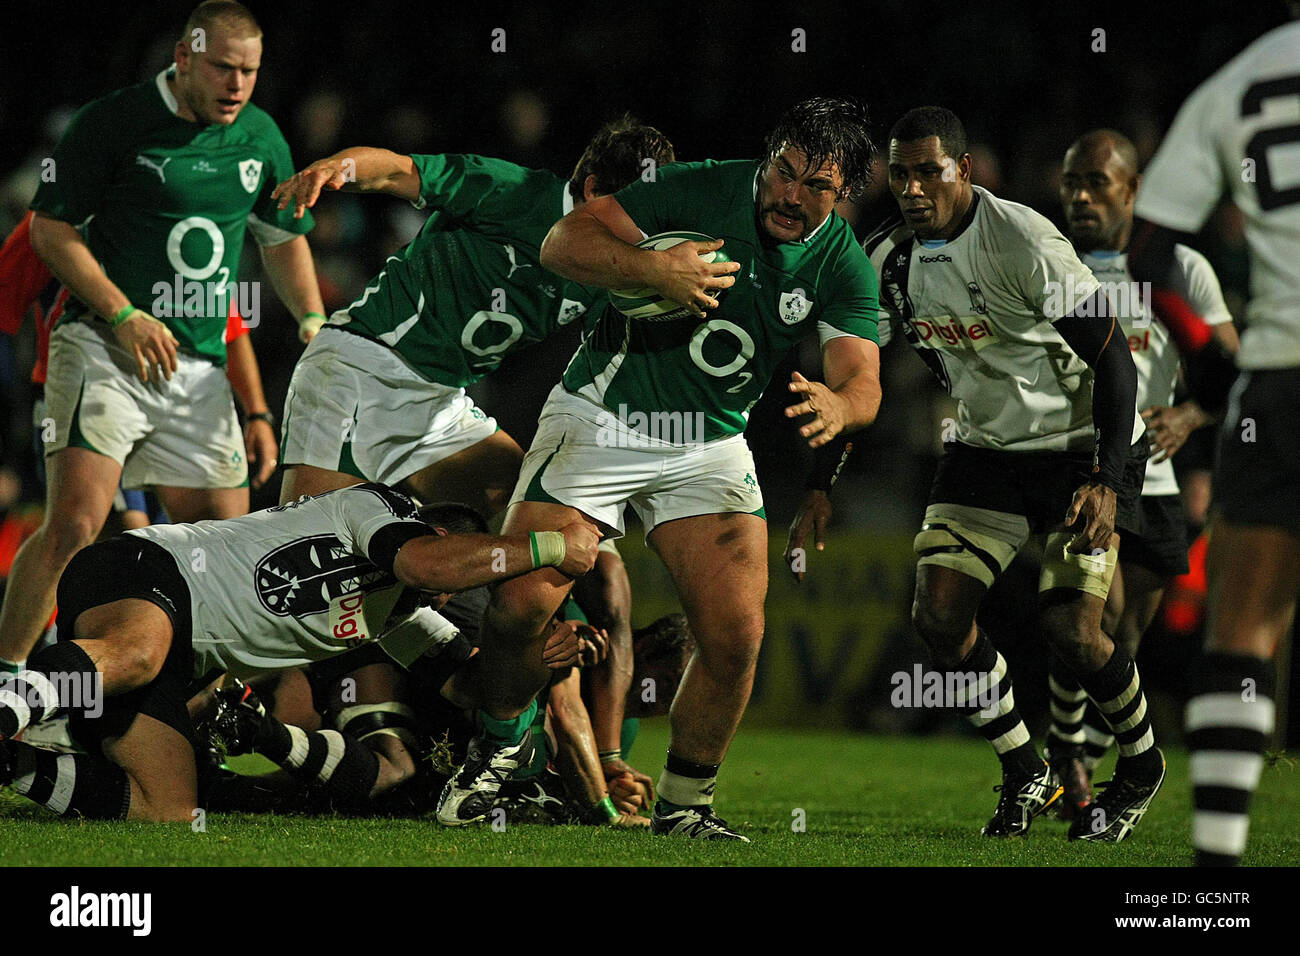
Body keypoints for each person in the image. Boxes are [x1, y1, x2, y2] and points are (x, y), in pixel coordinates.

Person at [438, 96, 883, 840]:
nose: (790, 195)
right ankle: (498, 755)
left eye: (817, 188)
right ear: (767, 158)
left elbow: (861, 377)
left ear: (844, 198)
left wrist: (843, 407)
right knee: (517, 609)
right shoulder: (701, 187)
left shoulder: (842, 262)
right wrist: (653, 270)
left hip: (708, 444)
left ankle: (684, 806)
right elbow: (562, 242)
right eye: (784, 172)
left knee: (737, 634)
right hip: (601, 418)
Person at [268, 116, 675, 801]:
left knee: (590, 562)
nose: (639, 233)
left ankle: (571, 751)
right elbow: (397, 167)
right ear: (591, 186)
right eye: (630, 213)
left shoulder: (622, 261)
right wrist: (338, 167)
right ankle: (183, 705)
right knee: (293, 583)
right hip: (358, 372)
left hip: (438, 405)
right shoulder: (513, 192)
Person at [795, 106, 1162, 842]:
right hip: (985, 450)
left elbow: (1114, 360)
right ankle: (1025, 767)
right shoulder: (886, 258)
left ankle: (1143, 765)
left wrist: (1107, 480)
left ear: (963, 169)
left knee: (1074, 630)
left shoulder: (1021, 238)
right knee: (936, 614)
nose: (913, 187)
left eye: (930, 170)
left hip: (1076, 447)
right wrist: (820, 483)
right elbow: (848, 384)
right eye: (900, 173)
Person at [0, 1, 326, 671]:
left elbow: (282, 241)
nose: (237, 86)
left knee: (225, 544)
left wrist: (312, 319)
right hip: (101, 347)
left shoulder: (262, 137)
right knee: (76, 523)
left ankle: (187, 700)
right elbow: (48, 232)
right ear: (183, 58)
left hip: (198, 367)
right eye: (223, 68)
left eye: (251, 72)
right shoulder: (111, 124)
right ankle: (7, 677)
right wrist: (124, 314)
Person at [0, 484, 599, 821]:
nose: (455, 590)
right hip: (147, 567)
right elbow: (423, 560)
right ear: (442, 533)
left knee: (171, 813)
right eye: (465, 562)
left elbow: (470, 688)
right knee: (135, 653)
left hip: (174, 651)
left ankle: (11, 763)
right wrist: (548, 544)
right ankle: (12, 707)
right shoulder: (380, 508)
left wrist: (535, 658)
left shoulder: (402, 614)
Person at [1127, 6, 1300, 866]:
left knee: (1241, 630)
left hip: (1279, 375)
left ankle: (1216, 883)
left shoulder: (1240, 80)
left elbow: (1148, 250)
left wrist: (1212, 374)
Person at [1044, 129, 1237, 817]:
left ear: (1132, 188)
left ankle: (1078, 762)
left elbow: (1228, 372)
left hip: (1158, 480)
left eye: (1097, 182)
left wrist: (1189, 416)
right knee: (1086, 620)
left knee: (1121, 641)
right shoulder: (1052, 260)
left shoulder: (1176, 266)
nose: (1081, 196)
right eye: (1071, 182)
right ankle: (1071, 760)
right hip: (1088, 469)